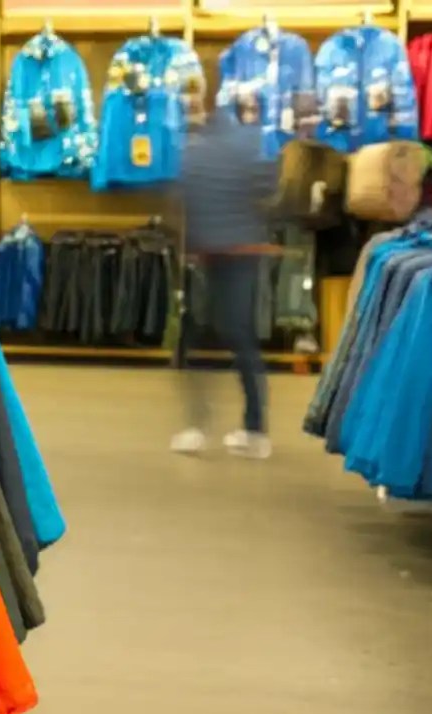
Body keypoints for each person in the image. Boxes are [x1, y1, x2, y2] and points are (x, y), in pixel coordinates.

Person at [170, 104, 281, 459]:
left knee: (195, 339)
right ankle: (255, 429)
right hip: (244, 250)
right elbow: (269, 187)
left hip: (207, 252)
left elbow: (185, 200)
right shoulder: (249, 146)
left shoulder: (192, 153)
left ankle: (197, 427)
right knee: (242, 338)